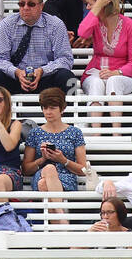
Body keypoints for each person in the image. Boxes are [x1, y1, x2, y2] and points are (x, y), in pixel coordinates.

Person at [0, 0, 75, 95]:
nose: (25, 8)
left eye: (31, 4)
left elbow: (66, 59)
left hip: (46, 77)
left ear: (41, 6)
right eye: (22, 4)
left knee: (68, 78)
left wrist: (42, 71)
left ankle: (69, 112)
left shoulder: (56, 24)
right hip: (16, 78)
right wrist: (16, 72)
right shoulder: (7, 24)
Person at [21, 87, 87, 222]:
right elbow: (26, 169)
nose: (48, 112)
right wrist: (43, 159)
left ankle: (59, 228)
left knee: (44, 184)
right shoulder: (35, 133)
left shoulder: (74, 132)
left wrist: (63, 160)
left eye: (52, 108)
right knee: (49, 169)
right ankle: (62, 218)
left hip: (66, 177)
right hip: (41, 173)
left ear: (62, 109)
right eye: (45, 108)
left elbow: (83, 169)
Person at [78, 0, 132, 100]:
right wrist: (97, 8)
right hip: (95, 74)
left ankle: (116, 119)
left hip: (123, 76)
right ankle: (95, 119)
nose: (87, 7)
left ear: (103, 4)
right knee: (96, 83)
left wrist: (117, 72)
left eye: (90, 4)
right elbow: (82, 33)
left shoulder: (129, 25)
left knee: (114, 81)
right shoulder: (95, 23)